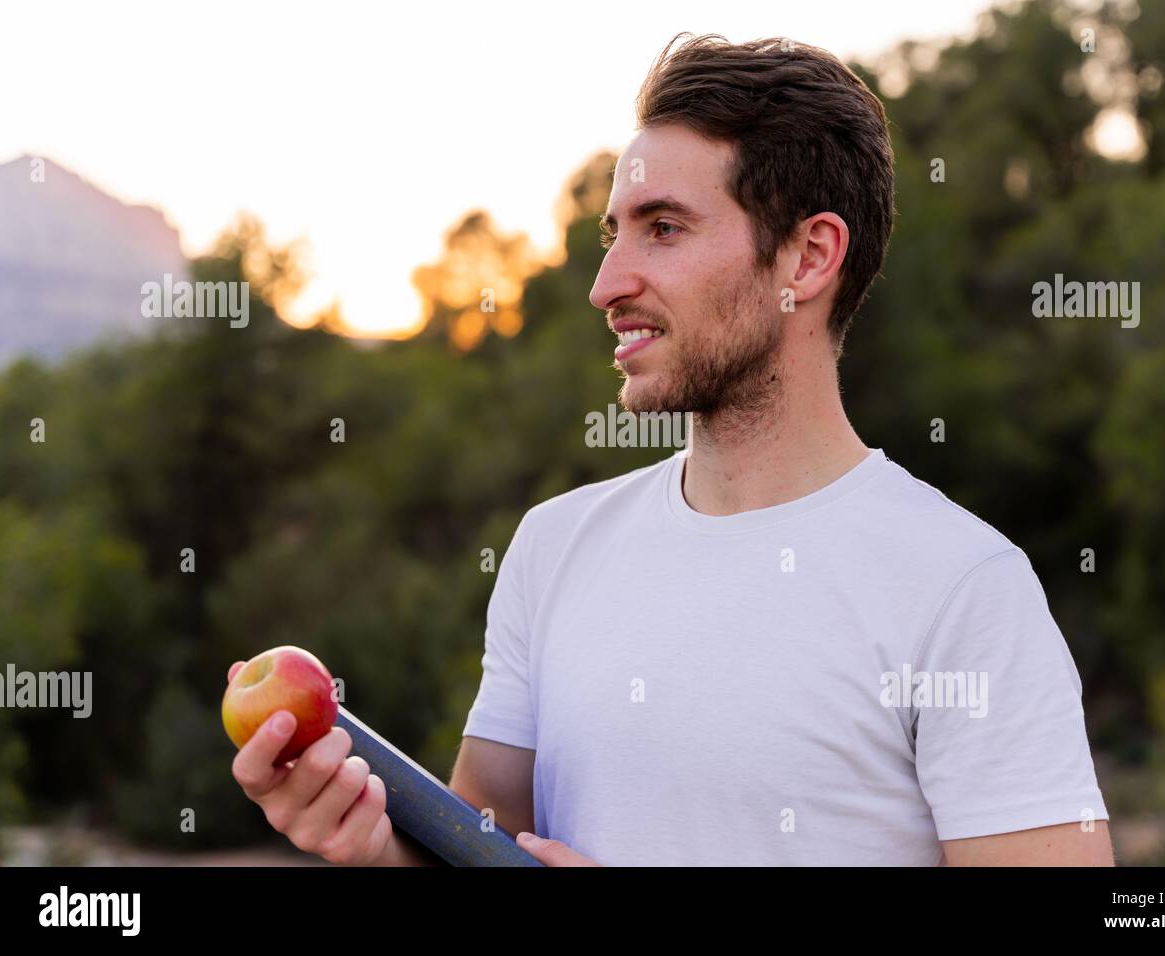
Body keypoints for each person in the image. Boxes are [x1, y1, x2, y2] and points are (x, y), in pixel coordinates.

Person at [231, 32, 1113, 867]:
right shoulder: (552, 548)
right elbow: (482, 844)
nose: (606, 285)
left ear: (807, 259)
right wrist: (375, 843)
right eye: (616, 233)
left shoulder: (962, 589)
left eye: (663, 228)